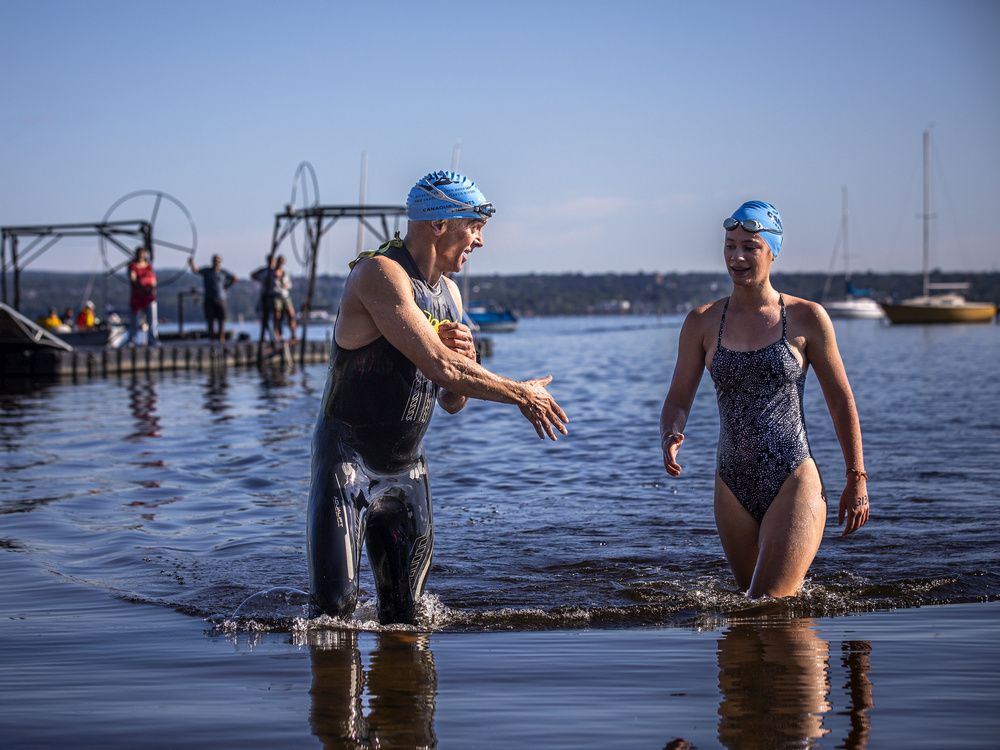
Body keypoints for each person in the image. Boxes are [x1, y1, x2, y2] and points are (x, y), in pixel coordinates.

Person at [308, 170, 568, 625]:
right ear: (440, 224)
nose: (480, 241)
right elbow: (439, 366)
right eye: (475, 227)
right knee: (334, 615)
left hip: (408, 471)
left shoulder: (449, 293)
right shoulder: (380, 273)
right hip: (348, 465)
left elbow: (450, 397)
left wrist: (462, 357)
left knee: (408, 620)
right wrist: (518, 393)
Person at [660, 200, 869, 598]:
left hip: (792, 477)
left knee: (765, 604)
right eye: (729, 245)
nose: (737, 256)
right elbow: (678, 398)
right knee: (747, 625)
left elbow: (841, 400)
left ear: (772, 251)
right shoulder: (702, 322)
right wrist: (671, 432)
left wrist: (856, 476)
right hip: (731, 485)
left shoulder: (807, 317)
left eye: (750, 247)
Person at [188, 254, 237, 343]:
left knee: (221, 322)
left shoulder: (223, 272)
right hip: (209, 300)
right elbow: (195, 270)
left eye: (218, 260)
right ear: (212, 261)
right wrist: (192, 263)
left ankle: (221, 341)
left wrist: (226, 286)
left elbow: (235, 278)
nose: (216, 262)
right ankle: (212, 342)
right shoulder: (207, 271)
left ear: (220, 262)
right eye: (215, 260)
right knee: (210, 322)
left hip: (220, 300)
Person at [126, 246, 158, 345]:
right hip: (137, 295)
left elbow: (153, 279)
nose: (141, 255)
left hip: (149, 296)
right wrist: (140, 282)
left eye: (143, 253)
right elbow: (133, 278)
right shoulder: (132, 266)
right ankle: (133, 340)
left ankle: (152, 339)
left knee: (151, 320)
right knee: (134, 320)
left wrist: (151, 286)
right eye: (140, 253)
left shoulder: (148, 266)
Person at [271, 254, 298, 341]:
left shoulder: (286, 272)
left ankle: (293, 334)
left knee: (291, 315)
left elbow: (289, 284)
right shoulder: (272, 272)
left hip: (285, 295)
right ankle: (278, 335)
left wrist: (286, 285)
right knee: (278, 316)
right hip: (276, 296)